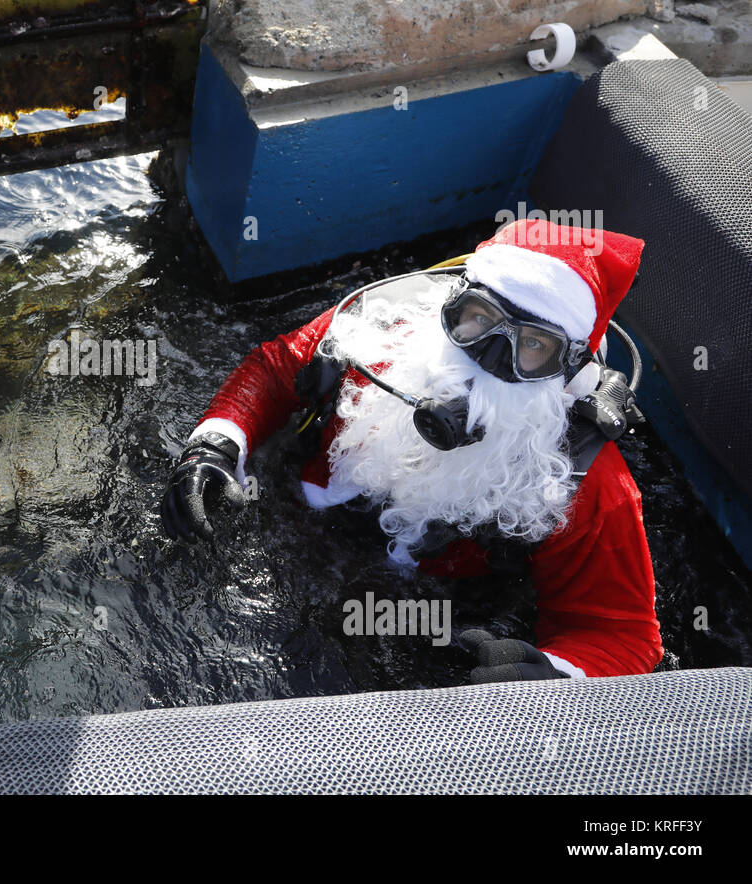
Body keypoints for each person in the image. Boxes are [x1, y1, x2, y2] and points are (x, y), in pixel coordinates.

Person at [160, 219, 664, 683]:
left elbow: (621, 632)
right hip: (303, 530)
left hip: (443, 608)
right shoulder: (377, 335)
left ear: (567, 365)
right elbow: (276, 369)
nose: (489, 355)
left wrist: (551, 676)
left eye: (532, 345)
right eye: (479, 319)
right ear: (453, 305)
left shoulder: (582, 479)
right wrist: (217, 444)